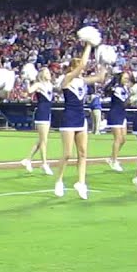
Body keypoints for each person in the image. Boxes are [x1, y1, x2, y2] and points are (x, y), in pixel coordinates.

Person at [53, 33, 104, 200]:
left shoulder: (82, 81)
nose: (80, 69)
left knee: (83, 153)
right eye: (76, 67)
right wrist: (89, 45)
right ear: (71, 68)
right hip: (68, 119)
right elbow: (82, 66)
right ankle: (59, 181)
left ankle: (81, 183)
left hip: (81, 119)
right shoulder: (66, 79)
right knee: (67, 154)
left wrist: (104, 63)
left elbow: (101, 78)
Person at [22, 67, 54, 175]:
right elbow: (29, 91)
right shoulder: (39, 84)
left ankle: (28, 160)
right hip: (41, 113)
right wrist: (27, 81)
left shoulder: (50, 84)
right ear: (42, 75)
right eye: (47, 72)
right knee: (43, 141)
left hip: (47, 112)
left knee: (42, 140)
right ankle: (44, 163)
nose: (49, 74)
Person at [104, 70, 130, 172]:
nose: (127, 79)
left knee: (123, 139)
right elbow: (107, 90)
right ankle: (114, 161)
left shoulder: (125, 89)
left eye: (127, 78)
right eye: (125, 78)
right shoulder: (115, 88)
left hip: (122, 114)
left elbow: (126, 103)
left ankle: (112, 158)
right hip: (115, 114)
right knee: (118, 138)